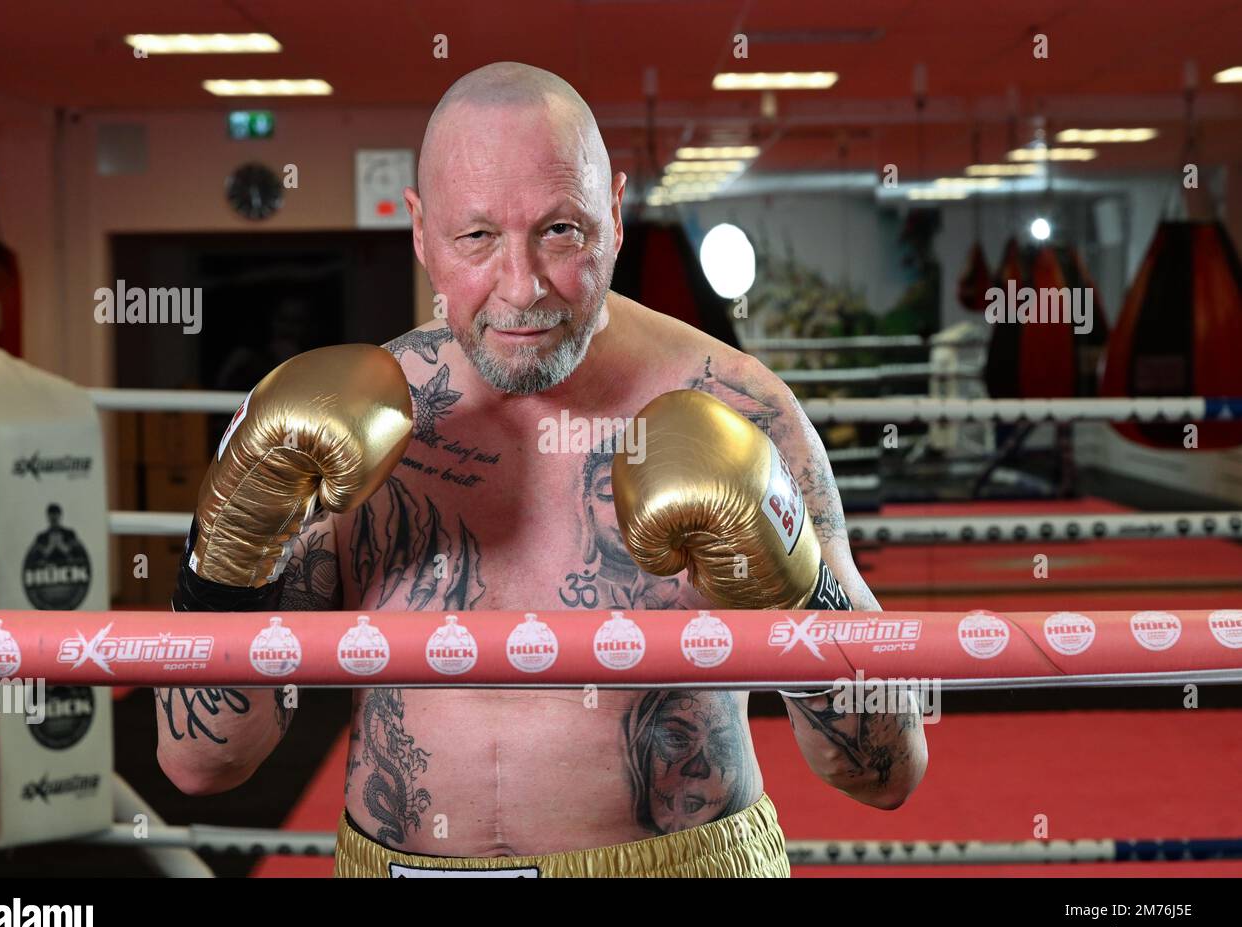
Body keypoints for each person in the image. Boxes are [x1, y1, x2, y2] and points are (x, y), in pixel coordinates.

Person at [157, 62, 926, 877]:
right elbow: (202, 763)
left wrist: (801, 592)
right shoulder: (343, 424)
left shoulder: (736, 409)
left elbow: (885, 772)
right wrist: (231, 547)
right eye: (478, 237)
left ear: (616, 218)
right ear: (421, 232)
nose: (522, 289)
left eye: (561, 231)